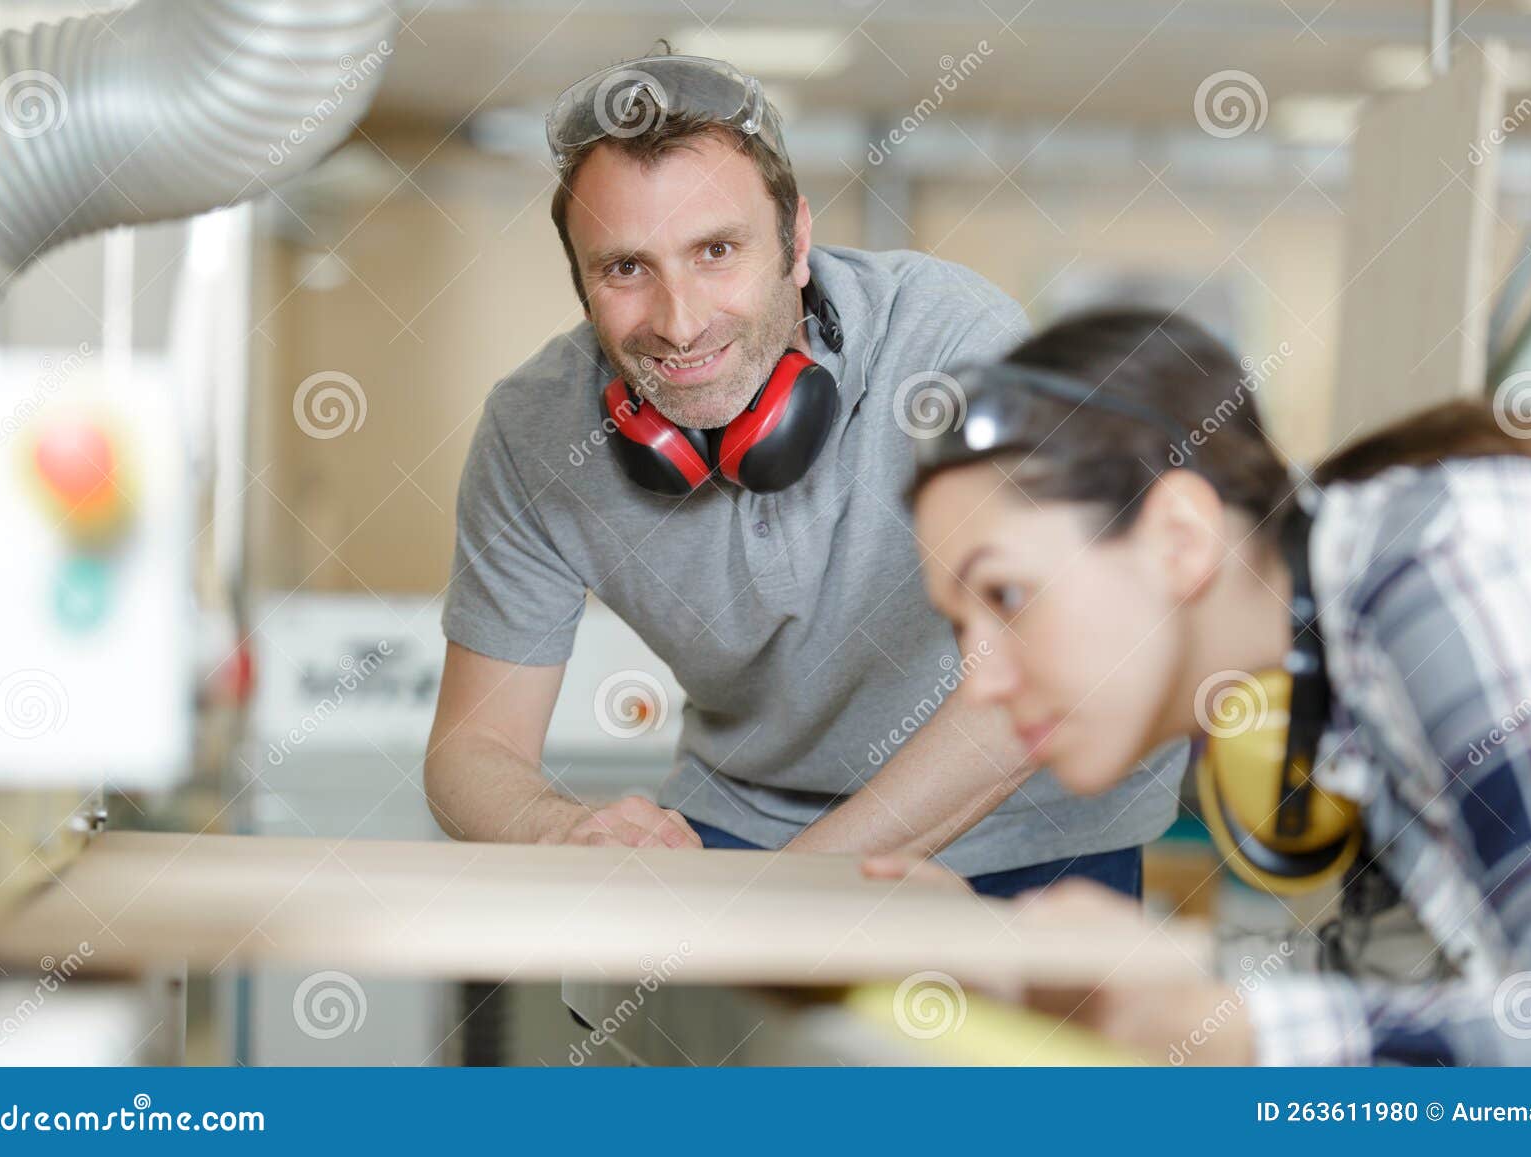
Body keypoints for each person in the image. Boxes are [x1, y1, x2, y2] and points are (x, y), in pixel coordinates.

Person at [423, 50, 1185, 898]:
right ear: (581, 283)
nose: (680, 324)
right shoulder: (536, 429)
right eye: (626, 268)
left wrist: (787, 897)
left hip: (1034, 824)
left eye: (717, 250)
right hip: (749, 818)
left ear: (797, 245)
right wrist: (558, 828)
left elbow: (1051, 663)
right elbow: (471, 749)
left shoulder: (950, 345)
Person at [870, 307, 1531, 1064]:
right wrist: (1010, 953)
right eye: (959, 625)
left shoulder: (1449, 570)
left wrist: (1225, 1029)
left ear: (1181, 538)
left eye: (1006, 595)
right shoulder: (1348, 655)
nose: (980, 682)